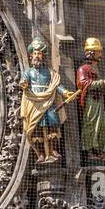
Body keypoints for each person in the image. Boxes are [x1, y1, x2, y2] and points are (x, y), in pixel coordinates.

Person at [19, 35, 71, 164]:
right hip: (34, 102)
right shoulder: (29, 72)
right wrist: (24, 84)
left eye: (39, 53)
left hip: (48, 101)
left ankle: (52, 150)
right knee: (35, 128)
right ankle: (41, 153)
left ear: (43, 56)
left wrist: (64, 92)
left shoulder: (49, 72)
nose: (37, 56)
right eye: (35, 53)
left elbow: (56, 84)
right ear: (31, 56)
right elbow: (23, 81)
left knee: (52, 124)